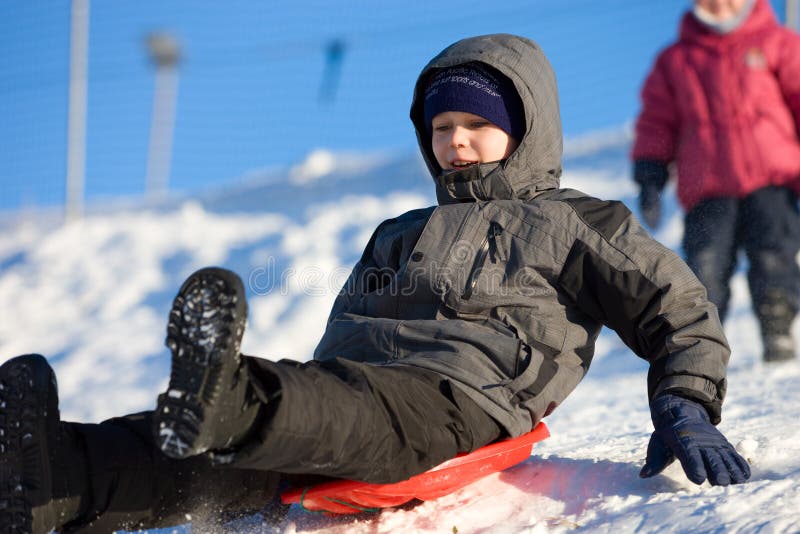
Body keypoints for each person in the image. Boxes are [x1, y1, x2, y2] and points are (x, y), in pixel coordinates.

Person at [0, 33, 751, 533]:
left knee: (290, 408)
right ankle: (56, 471)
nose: (454, 140)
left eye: (477, 124)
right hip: (352, 397)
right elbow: (346, 335)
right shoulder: (399, 231)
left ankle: (235, 401)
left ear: (527, 127)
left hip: (463, 399)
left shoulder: (574, 222)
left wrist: (684, 403)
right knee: (205, 446)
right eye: (439, 126)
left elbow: (677, 309)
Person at [632, 0, 800, 362]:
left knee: (775, 253)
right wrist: (650, 173)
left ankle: (778, 326)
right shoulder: (675, 60)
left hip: (772, 177)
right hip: (706, 187)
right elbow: (657, 122)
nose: (721, 6)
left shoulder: (778, 43)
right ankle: (702, 343)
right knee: (705, 265)